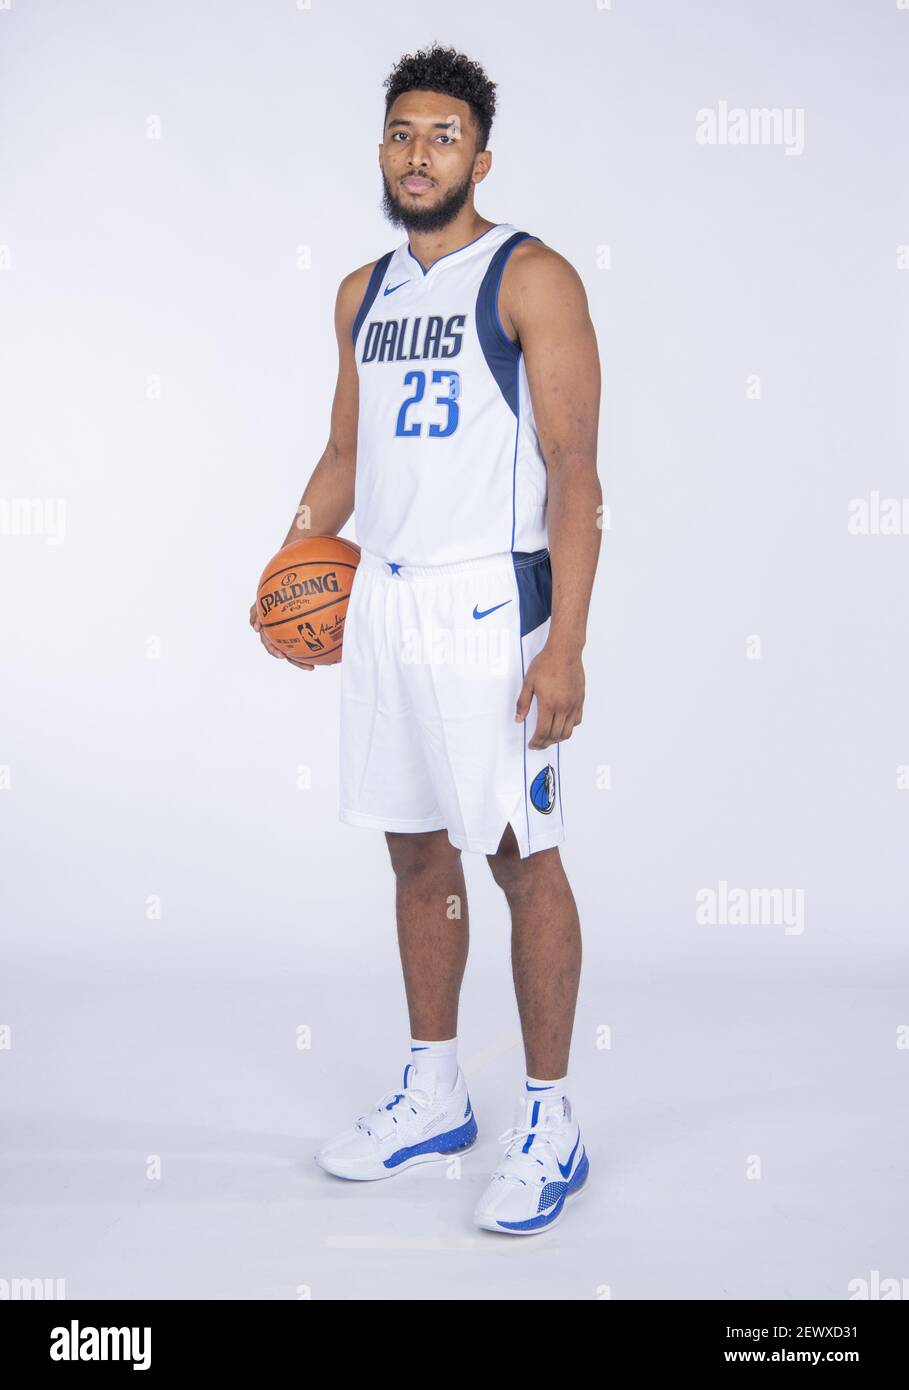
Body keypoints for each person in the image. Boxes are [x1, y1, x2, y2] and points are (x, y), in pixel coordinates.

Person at [251, 43, 602, 1234]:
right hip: (388, 603)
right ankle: (436, 1089)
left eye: (443, 135)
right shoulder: (363, 292)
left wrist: (568, 647)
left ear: (481, 156)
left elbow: (575, 472)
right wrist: (290, 551)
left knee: (518, 855)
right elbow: (347, 453)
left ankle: (550, 1121)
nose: (418, 152)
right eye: (402, 132)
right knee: (413, 851)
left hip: (495, 604)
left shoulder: (530, 276)